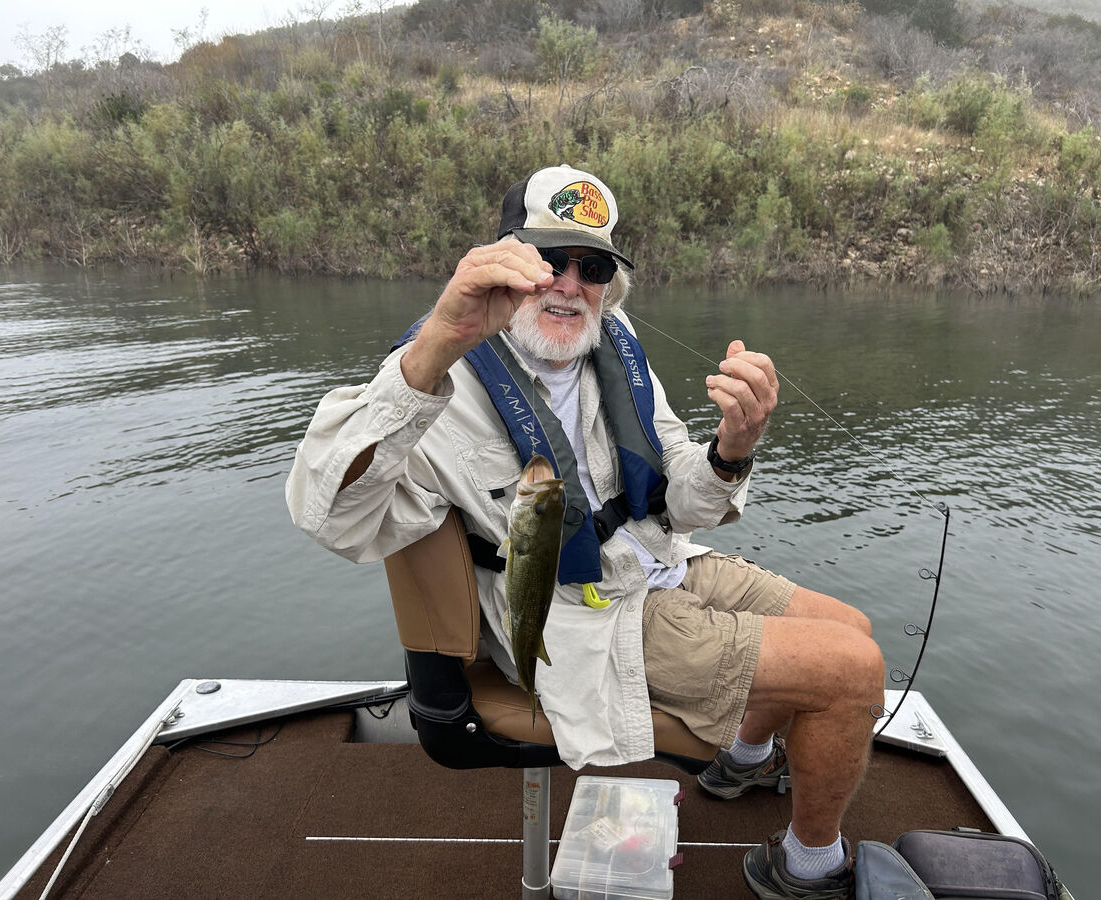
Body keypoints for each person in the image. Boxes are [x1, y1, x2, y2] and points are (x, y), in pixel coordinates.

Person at [286, 164, 884, 900]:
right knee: (850, 674)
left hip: (659, 559)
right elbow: (331, 516)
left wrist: (734, 448)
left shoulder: (615, 342)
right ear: (503, 263)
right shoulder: (441, 375)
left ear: (609, 281)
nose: (569, 284)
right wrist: (437, 342)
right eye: (546, 261)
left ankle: (740, 759)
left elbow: (682, 500)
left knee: (853, 628)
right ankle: (805, 870)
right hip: (579, 614)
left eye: (592, 265)